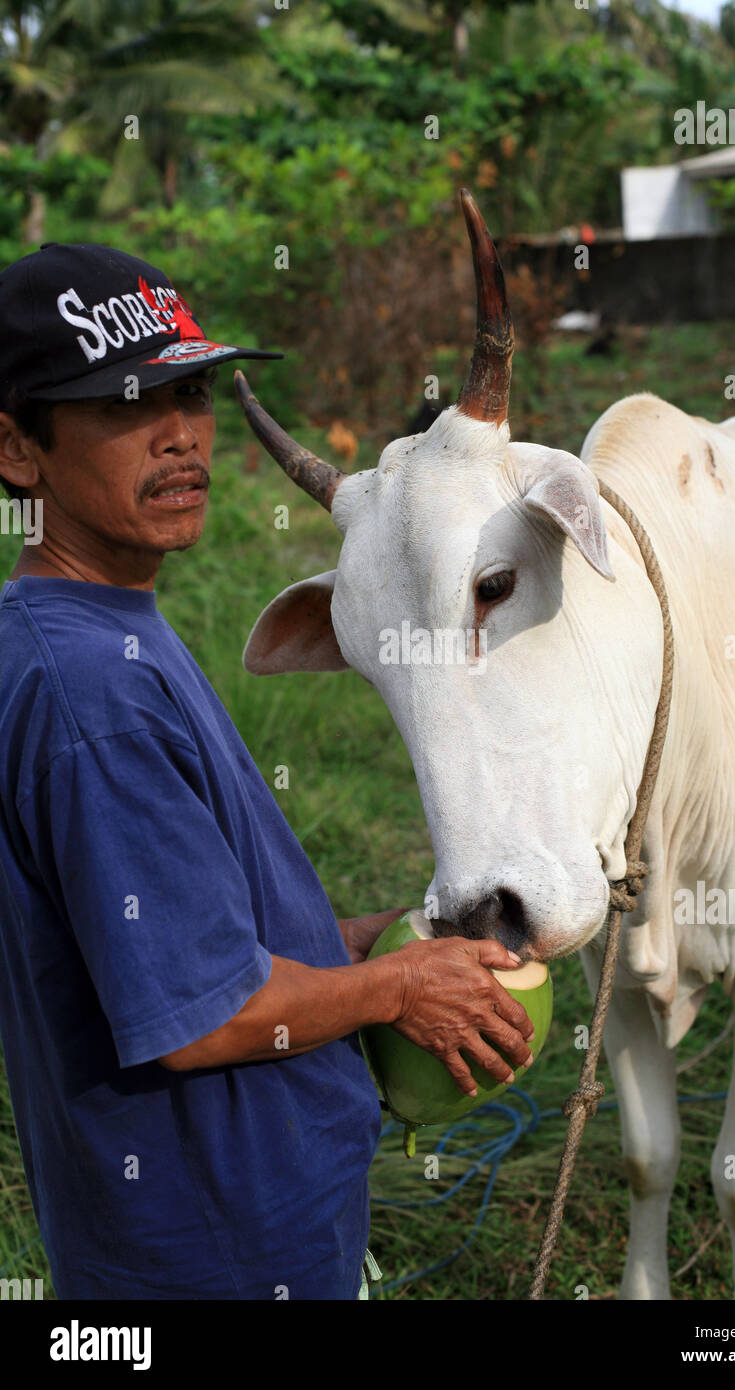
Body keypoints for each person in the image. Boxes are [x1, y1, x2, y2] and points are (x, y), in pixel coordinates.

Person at [0, 243, 534, 1300]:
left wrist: (355, 942)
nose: (179, 432)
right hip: (217, 1250)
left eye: (188, 389)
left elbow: (169, 939)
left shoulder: (101, 628)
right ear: (18, 449)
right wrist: (393, 989)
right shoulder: (89, 694)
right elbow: (199, 1016)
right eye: (122, 402)